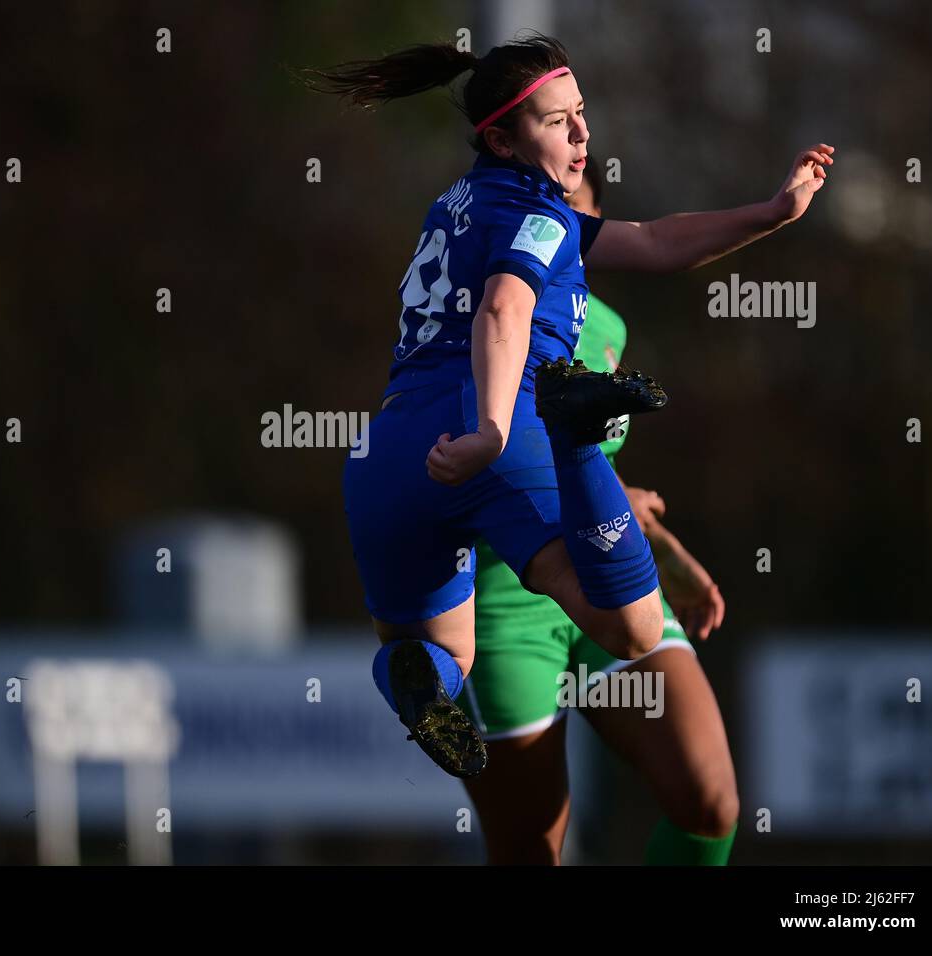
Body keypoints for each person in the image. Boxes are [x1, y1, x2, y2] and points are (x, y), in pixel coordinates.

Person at [305, 33, 833, 777]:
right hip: (493, 428)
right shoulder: (539, 216)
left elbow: (653, 241)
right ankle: (578, 433)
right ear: (501, 138)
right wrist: (491, 429)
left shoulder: (457, 203)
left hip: (388, 456)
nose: (583, 133)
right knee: (634, 628)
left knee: (439, 652)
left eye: (581, 112)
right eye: (558, 121)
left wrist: (772, 213)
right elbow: (501, 311)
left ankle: (417, 681)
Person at [458, 156, 737, 864]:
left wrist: (657, 537)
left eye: (569, 219)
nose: (546, 234)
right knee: (531, 855)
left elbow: (590, 467)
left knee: (709, 805)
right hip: (505, 601)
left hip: (611, 579)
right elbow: (442, 461)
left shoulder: (605, 326)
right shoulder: (468, 314)